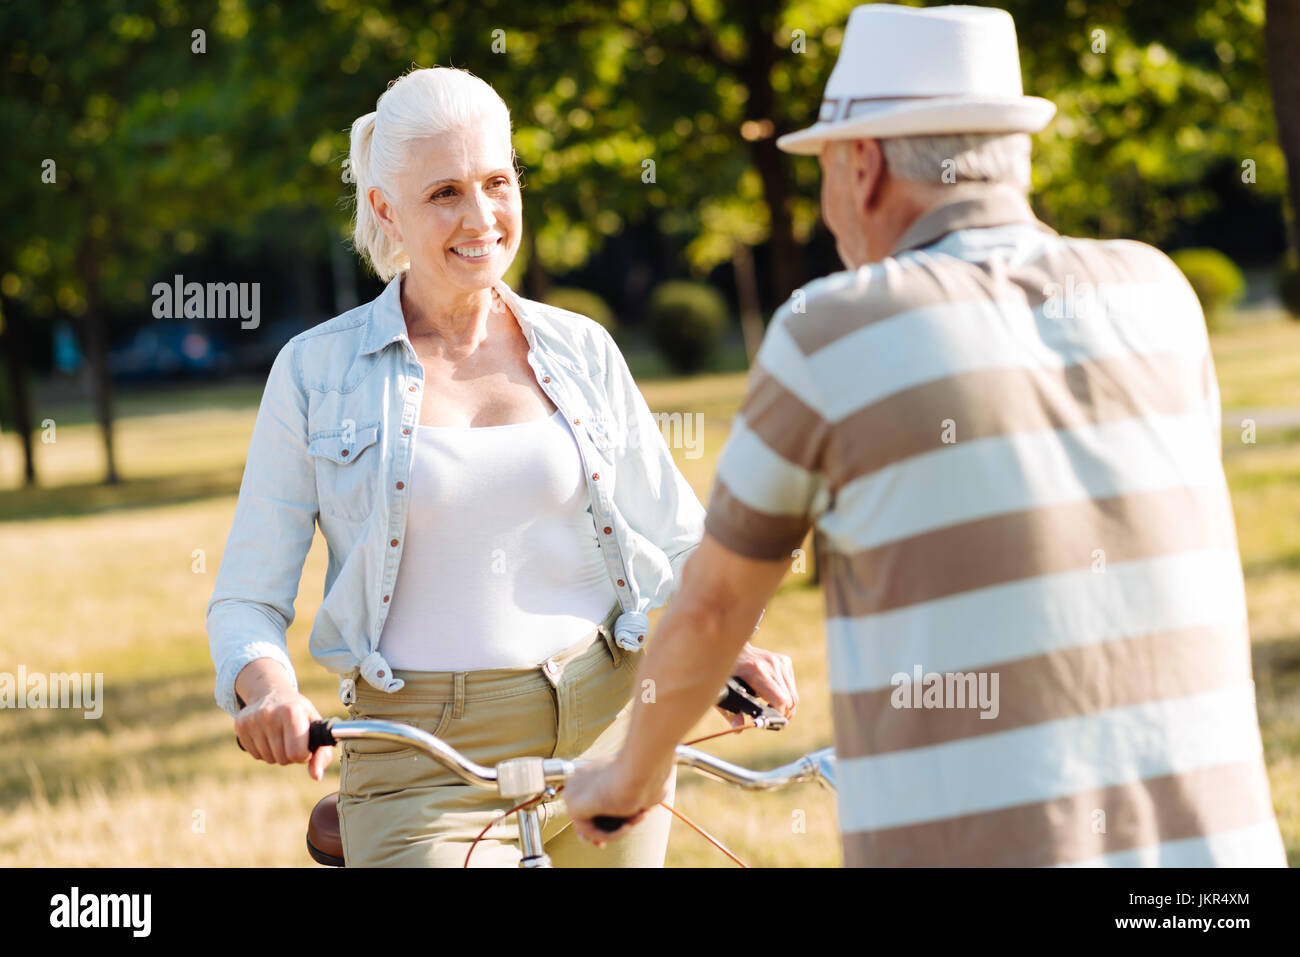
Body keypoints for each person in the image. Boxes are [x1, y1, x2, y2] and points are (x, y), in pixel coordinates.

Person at [563, 3, 1287, 866]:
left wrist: (627, 777)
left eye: (825, 170)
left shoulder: (831, 331)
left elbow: (717, 604)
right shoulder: (1158, 295)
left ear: (861, 165)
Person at [205, 66, 798, 867]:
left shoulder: (582, 348)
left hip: (605, 742)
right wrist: (266, 686)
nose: (481, 216)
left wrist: (729, 641)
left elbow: (682, 539)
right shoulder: (315, 372)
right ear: (386, 208)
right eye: (444, 192)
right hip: (419, 762)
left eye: (496, 181)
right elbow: (245, 598)